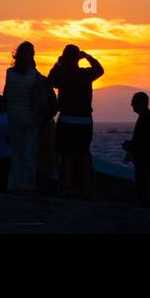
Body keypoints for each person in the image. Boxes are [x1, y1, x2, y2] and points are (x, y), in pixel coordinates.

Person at [47, 45, 104, 198]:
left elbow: (50, 80)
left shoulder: (62, 75)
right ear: (77, 58)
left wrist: (58, 63)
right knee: (84, 155)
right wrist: (88, 57)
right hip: (85, 120)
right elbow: (100, 69)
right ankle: (86, 189)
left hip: (66, 119)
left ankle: (68, 188)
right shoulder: (86, 74)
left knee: (66, 156)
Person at [3, 42, 52, 192]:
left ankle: (14, 184)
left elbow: (6, 95)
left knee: (16, 153)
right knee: (29, 153)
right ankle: (28, 185)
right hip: (30, 118)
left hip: (13, 117)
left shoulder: (9, 73)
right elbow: (42, 92)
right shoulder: (34, 75)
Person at [123, 91, 150, 206]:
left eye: (133, 102)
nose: (131, 104)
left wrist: (131, 145)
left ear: (141, 103)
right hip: (144, 158)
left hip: (145, 159)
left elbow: (143, 142)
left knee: (143, 186)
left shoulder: (146, 118)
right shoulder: (146, 117)